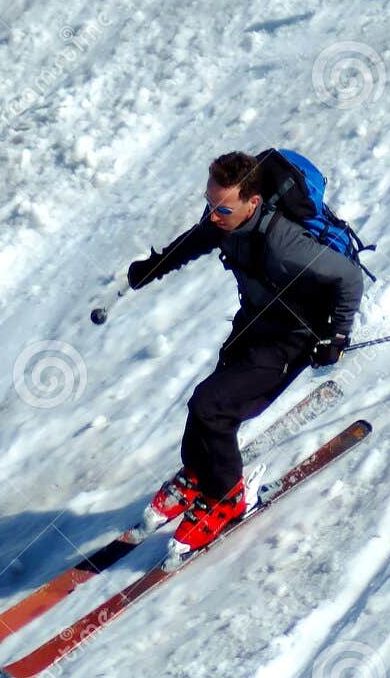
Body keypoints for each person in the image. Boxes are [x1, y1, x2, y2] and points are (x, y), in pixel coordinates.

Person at [127, 150, 364, 554]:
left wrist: (336, 337)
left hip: (293, 336)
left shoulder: (285, 244)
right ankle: (201, 473)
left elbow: (349, 278)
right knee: (207, 402)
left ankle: (227, 498)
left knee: (213, 407)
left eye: (222, 207)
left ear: (253, 203)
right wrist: (157, 264)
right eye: (209, 203)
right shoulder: (225, 220)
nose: (213, 214)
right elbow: (199, 237)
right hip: (255, 320)